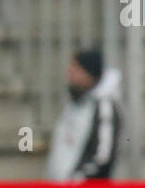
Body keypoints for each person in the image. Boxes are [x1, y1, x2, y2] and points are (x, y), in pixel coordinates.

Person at [46, 49, 122, 181]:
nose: (70, 72)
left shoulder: (104, 107)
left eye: (76, 68)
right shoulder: (73, 106)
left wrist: (75, 181)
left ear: (89, 73)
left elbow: (102, 156)